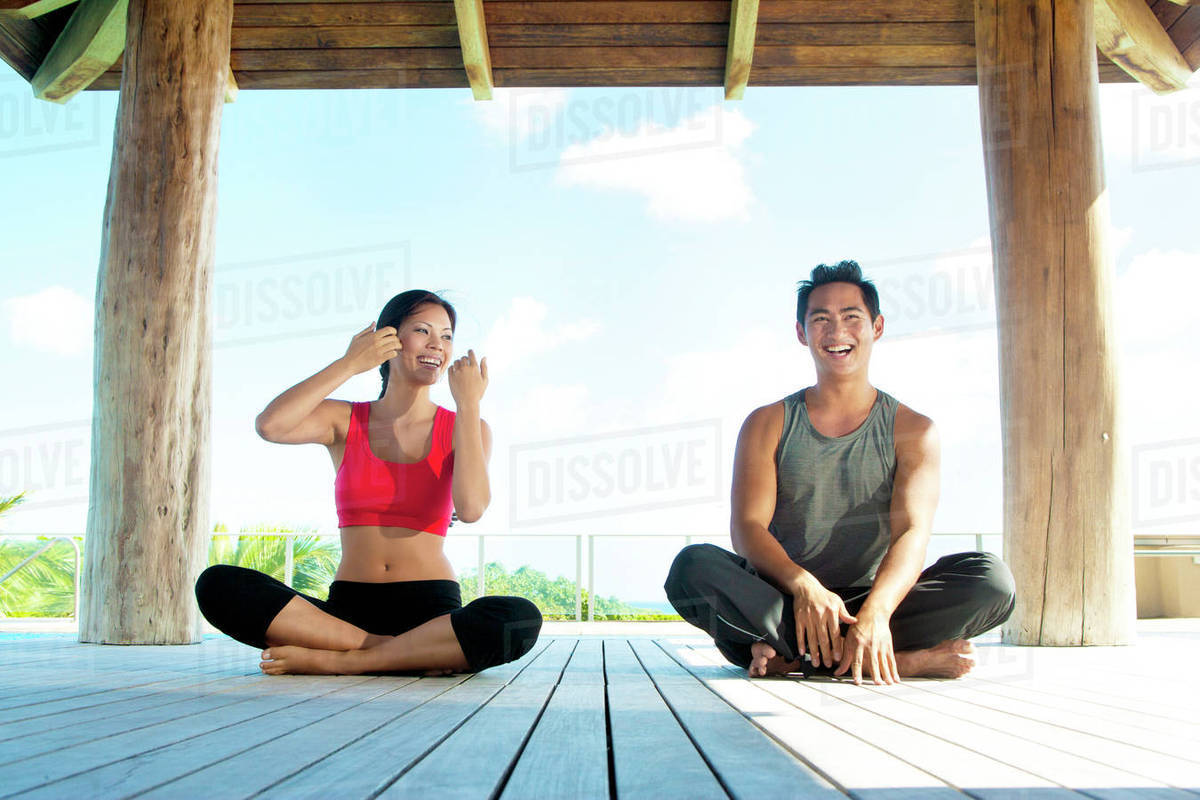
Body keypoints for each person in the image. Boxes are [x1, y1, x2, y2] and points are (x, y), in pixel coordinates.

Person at [664, 261, 1015, 685]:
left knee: (992, 581)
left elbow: (912, 532)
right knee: (691, 568)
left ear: (877, 326)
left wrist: (877, 613)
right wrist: (805, 587)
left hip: (873, 599)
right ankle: (898, 661)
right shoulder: (767, 422)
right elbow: (749, 527)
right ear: (801, 332)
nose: (837, 332)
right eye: (821, 320)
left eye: (852, 318)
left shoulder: (914, 430)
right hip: (782, 597)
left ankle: (796, 656)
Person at [195, 290, 542, 675]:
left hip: (431, 610)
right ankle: (400, 654)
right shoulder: (345, 420)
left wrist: (470, 405)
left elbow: (472, 509)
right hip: (346, 614)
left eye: (446, 336)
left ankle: (343, 662)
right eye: (423, 331)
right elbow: (271, 425)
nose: (437, 346)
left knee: (519, 618)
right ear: (388, 340)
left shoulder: (468, 426)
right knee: (217, 586)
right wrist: (348, 364)